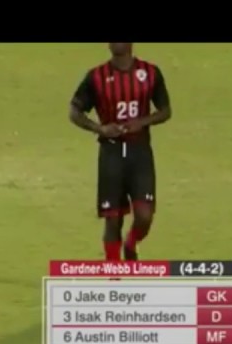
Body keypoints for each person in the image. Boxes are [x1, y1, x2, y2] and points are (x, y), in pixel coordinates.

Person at [68, 43, 172, 261]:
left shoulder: (150, 73)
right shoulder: (96, 77)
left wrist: (142, 122)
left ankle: (131, 242)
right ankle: (114, 276)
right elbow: (74, 111)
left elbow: (165, 111)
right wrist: (100, 128)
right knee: (112, 218)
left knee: (144, 215)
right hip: (111, 153)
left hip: (140, 151)